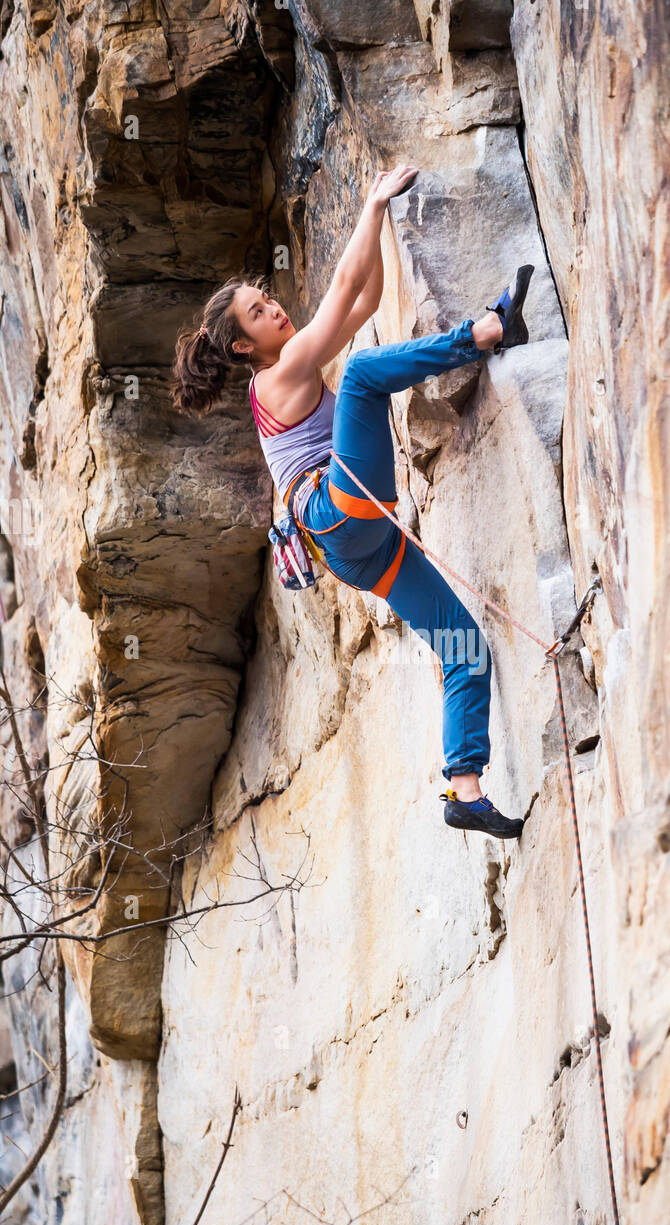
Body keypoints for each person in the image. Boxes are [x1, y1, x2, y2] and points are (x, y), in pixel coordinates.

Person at [172, 164, 534, 839]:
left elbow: (362, 302)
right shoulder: (282, 373)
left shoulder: (290, 362)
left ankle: (467, 789)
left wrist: (388, 225)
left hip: (358, 549)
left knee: (462, 646)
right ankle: (487, 330)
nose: (274, 306)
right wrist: (369, 203)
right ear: (246, 346)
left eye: (265, 297)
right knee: (365, 375)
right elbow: (343, 289)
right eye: (259, 312)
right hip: (337, 511)